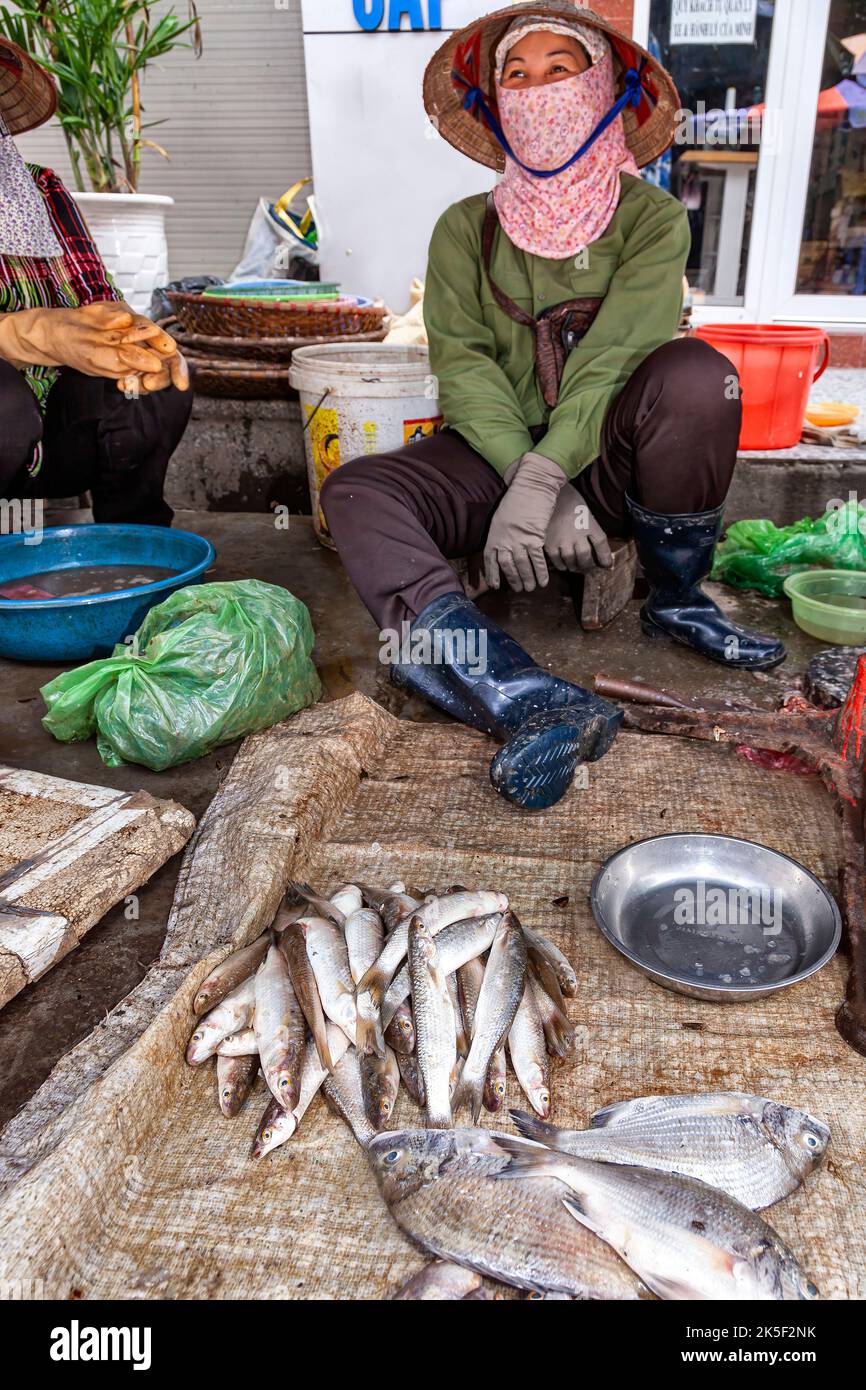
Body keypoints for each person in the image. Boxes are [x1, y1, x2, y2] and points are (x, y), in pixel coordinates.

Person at [321, 3, 786, 813]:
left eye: (558, 70)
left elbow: (614, 357)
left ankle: (676, 600)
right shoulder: (464, 230)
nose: (536, 90)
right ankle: (518, 692)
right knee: (357, 491)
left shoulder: (651, 219)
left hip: (605, 459)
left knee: (697, 377)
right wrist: (524, 479)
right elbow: (462, 366)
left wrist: (555, 481)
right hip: (493, 456)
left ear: (603, 87)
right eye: (516, 75)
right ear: (496, 104)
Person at [0, 36, 190, 527]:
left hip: (56, 441)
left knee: (148, 381)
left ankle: (133, 551)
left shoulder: (38, 188)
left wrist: (125, 334)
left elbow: (98, 299)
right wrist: (36, 333)